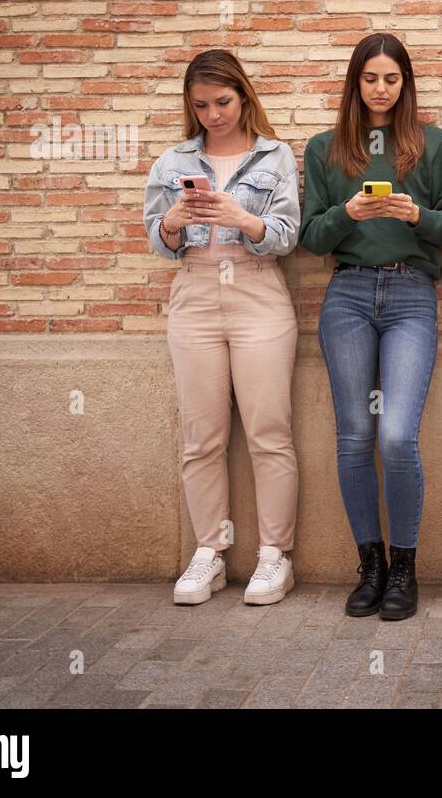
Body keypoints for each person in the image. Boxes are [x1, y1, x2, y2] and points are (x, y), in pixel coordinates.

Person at [299, 33, 442, 621]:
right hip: (346, 294)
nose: (380, 89)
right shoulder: (325, 149)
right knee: (354, 437)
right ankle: (368, 565)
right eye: (370, 78)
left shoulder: (431, 144)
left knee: (396, 436)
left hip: (409, 294)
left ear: (405, 84)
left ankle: (404, 567)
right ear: (355, 83)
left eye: (391, 79)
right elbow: (311, 238)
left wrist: (415, 214)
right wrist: (347, 213)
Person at [142, 48, 301, 607]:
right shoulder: (172, 161)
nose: (214, 115)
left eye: (224, 102)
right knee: (201, 438)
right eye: (202, 105)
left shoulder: (274, 155)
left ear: (244, 96)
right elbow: (157, 241)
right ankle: (209, 552)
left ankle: (273, 556)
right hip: (196, 294)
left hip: (259, 293)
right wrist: (172, 222)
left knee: (268, 434)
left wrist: (241, 216)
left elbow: (286, 235)